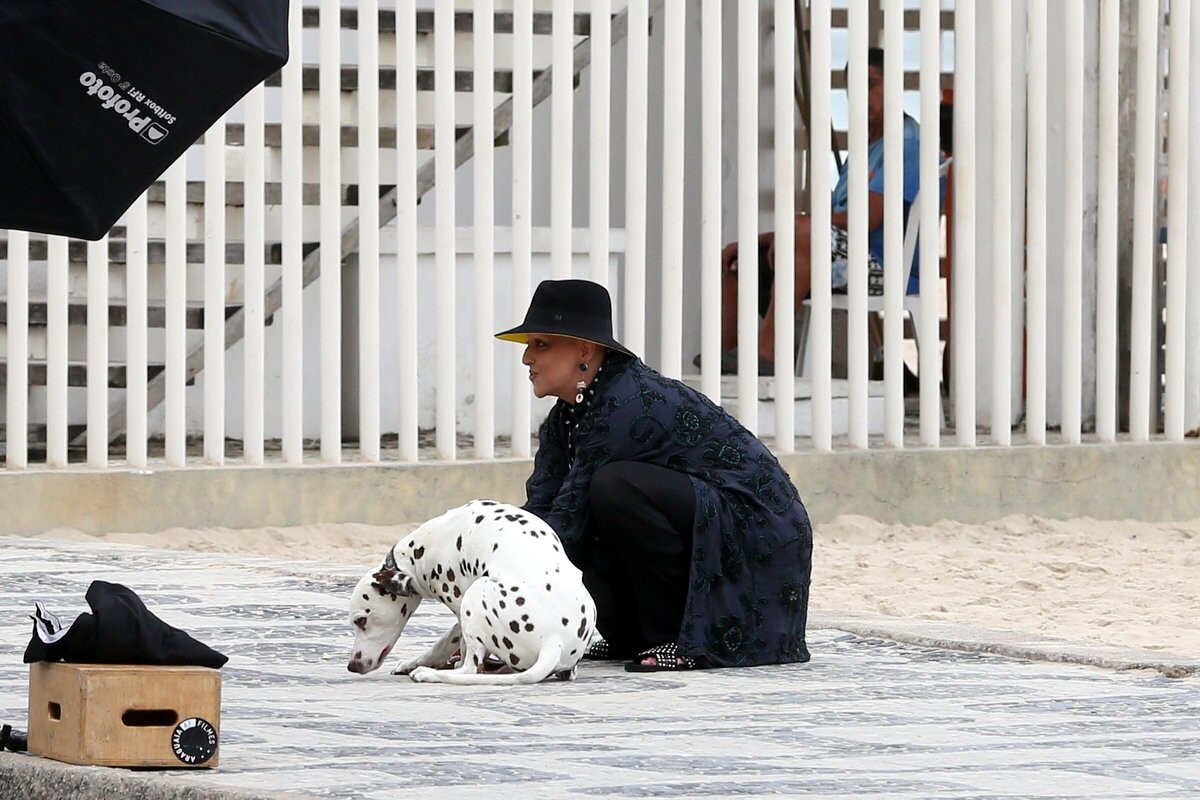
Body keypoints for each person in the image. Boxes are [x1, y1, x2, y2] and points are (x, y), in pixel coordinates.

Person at [496, 279, 812, 671]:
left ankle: (672, 638)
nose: (527, 358)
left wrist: (496, 597)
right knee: (595, 502)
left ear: (583, 350)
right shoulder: (567, 416)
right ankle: (629, 635)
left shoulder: (627, 403)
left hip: (754, 529)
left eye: (540, 344)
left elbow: (565, 524)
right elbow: (542, 513)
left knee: (614, 488)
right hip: (700, 517)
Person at [705, 46, 923, 376]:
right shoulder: (864, 150)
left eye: (871, 84)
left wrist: (798, 227)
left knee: (803, 230)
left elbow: (867, 219)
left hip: (887, 266)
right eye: (854, 86)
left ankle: (768, 355)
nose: (862, 94)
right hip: (847, 257)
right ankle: (726, 364)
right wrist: (767, 238)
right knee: (739, 260)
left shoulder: (908, 143)